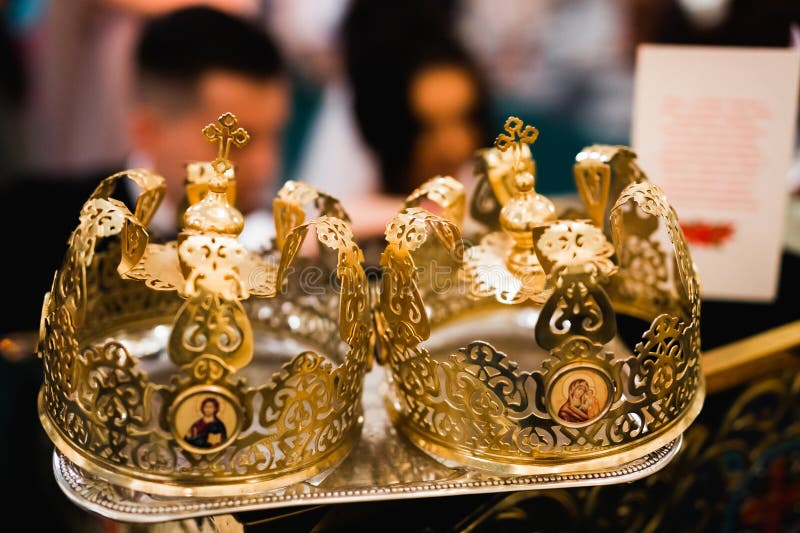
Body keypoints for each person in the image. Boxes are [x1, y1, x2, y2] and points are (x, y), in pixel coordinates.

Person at [0, 6, 289, 336]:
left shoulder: (277, 251)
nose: (265, 165)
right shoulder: (35, 230)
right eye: (239, 143)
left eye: (274, 136)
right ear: (148, 132)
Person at [299, 0, 490, 241]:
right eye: (427, 128)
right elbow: (310, 232)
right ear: (387, 132)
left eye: (465, 119)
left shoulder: (479, 177)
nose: (454, 147)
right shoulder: (352, 122)